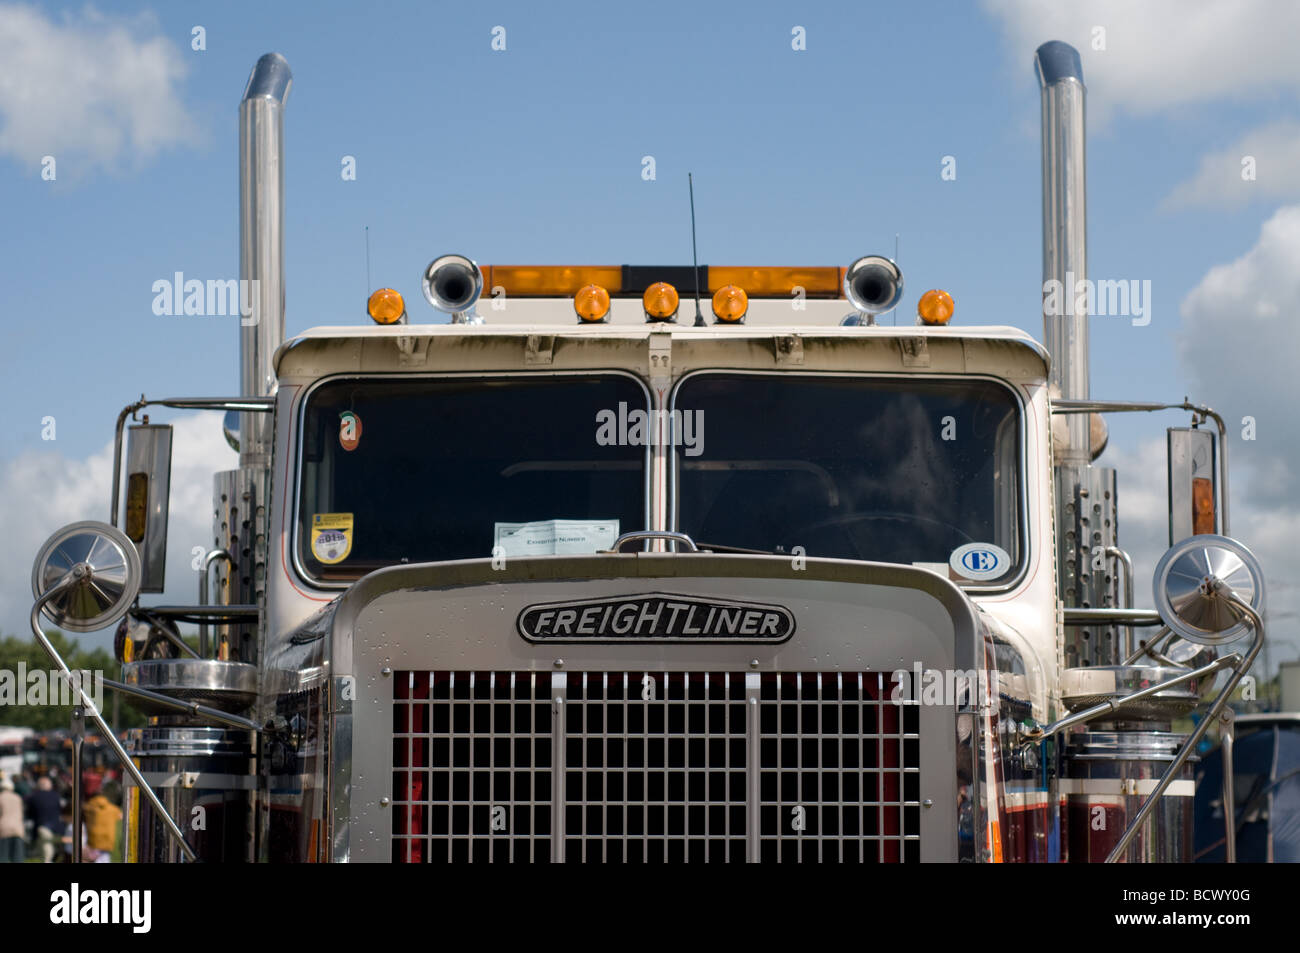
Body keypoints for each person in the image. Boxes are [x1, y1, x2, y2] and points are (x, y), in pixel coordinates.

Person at [24, 776, 64, 863]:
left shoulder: (33, 797)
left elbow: (29, 813)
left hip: (42, 827)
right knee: (54, 851)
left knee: (47, 852)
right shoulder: (56, 796)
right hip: (57, 827)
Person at [83, 783, 123, 860]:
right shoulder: (112, 809)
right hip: (105, 843)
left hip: (92, 842)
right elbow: (122, 816)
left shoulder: (88, 807)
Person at [0, 776, 25, 863]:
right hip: (18, 829)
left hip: (3, 829)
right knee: (17, 858)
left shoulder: (1, 797)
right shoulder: (18, 798)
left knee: (3, 857)